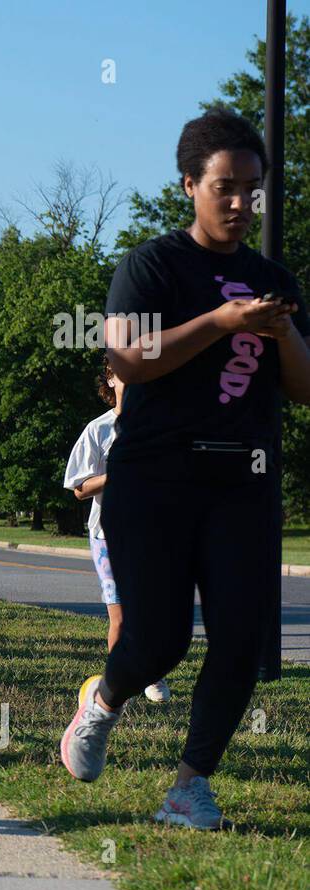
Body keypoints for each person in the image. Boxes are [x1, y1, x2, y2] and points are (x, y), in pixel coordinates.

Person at [60, 109, 310, 829]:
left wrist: (283, 327)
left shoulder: (272, 278)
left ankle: (190, 786)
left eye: (253, 189)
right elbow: (128, 359)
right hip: (154, 477)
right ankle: (103, 701)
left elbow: (304, 386)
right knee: (160, 637)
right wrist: (222, 324)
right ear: (189, 186)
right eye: (226, 187)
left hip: (245, 481)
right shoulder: (153, 265)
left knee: (243, 635)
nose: (241, 203)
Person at [63, 363, 170, 702]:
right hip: (108, 535)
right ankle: (120, 686)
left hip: (155, 532)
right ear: (109, 379)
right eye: (121, 368)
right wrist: (116, 475)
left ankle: (152, 675)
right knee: (122, 620)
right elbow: (79, 488)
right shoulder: (98, 430)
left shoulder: (160, 423)